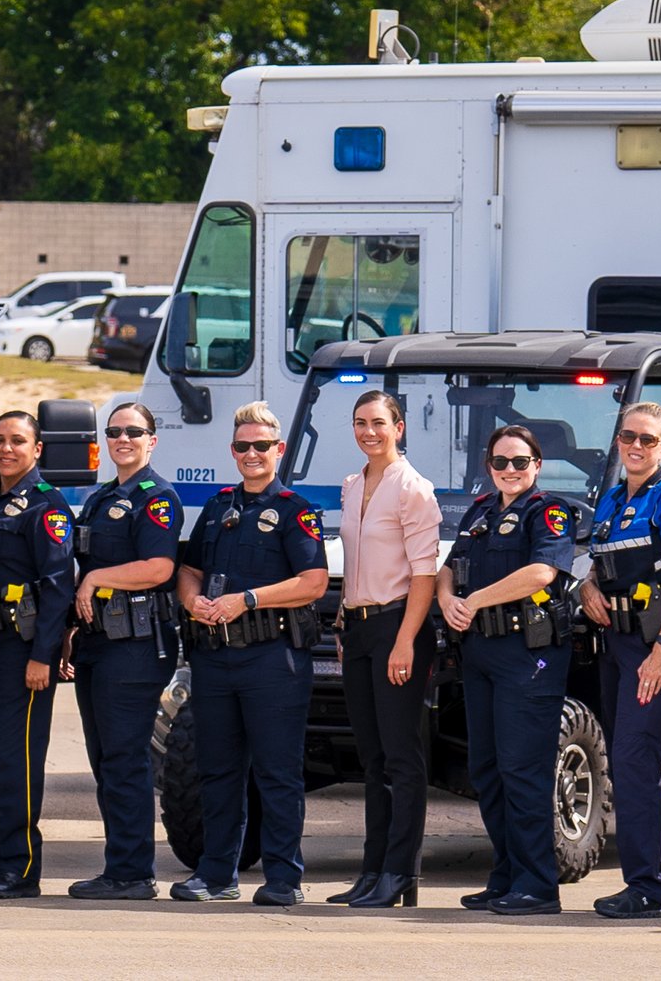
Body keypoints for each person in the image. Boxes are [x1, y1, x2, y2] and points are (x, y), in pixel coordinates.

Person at [171, 402, 329, 907]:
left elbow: (314, 582)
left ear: (279, 449)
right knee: (217, 771)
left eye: (262, 445)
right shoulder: (218, 507)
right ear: (233, 451)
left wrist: (249, 599)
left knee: (277, 773)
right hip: (215, 658)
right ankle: (217, 874)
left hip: (272, 659)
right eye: (243, 446)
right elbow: (189, 568)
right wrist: (191, 600)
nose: (252, 454)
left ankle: (283, 878)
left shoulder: (295, 510)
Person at [439, 425, 576, 917]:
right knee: (488, 769)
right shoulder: (480, 511)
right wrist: (447, 599)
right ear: (489, 467)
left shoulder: (548, 511)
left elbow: (542, 572)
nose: (510, 470)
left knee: (523, 770)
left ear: (537, 465)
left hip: (527, 653)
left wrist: (474, 599)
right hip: (480, 651)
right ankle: (506, 877)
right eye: (501, 462)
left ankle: (538, 885)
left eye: (520, 462)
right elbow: (449, 565)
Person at [579, 401, 661, 920]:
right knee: (624, 761)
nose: (636, 446)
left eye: (647, 440)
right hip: (617, 645)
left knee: (635, 758)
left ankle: (650, 888)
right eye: (629, 436)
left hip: (653, 648)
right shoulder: (611, 499)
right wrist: (587, 587)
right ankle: (640, 881)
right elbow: (598, 564)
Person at [64, 402, 183, 900]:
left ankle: (133, 873)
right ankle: (120, 866)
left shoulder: (156, 498)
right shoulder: (100, 499)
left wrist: (96, 578)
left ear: (152, 440)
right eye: (114, 432)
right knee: (105, 760)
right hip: (98, 643)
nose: (123, 439)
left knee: (125, 759)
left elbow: (159, 568)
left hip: (135, 645)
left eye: (134, 432)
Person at [330, 390, 440, 909]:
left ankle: (400, 872)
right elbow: (354, 564)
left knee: (401, 757)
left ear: (399, 427)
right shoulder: (353, 485)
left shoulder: (413, 488)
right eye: (360, 423)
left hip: (399, 626)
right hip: (358, 630)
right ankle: (372, 871)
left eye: (378, 422)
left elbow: (424, 573)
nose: (368, 432)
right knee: (371, 759)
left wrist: (404, 642)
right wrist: (342, 619)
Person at [0, 411, 76, 900]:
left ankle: (22, 866)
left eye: (18, 441)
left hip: (22, 649)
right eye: (0, 440)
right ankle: (0, 862)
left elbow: (57, 587)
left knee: (17, 760)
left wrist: (42, 656)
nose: (6, 449)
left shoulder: (47, 506)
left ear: (37, 449)